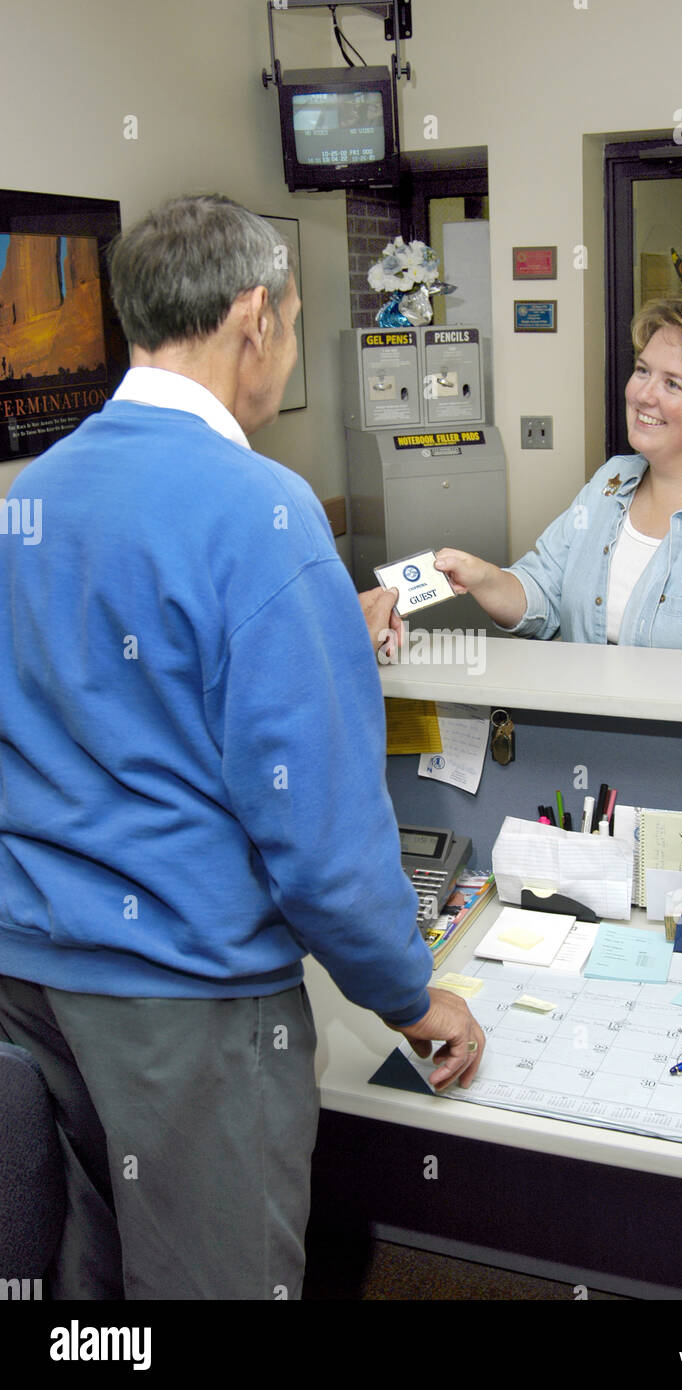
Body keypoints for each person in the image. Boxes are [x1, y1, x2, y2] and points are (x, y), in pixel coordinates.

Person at [0, 194, 484, 1301]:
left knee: (90, 1281)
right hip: (187, 1006)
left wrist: (315, 628)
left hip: (33, 975)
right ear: (253, 317)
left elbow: (96, 689)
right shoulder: (261, 510)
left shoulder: (41, 490)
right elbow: (317, 837)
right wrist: (411, 996)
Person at [435, 288, 682, 656]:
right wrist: (484, 578)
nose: (643, 395)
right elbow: (543, 593)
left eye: (673, 384)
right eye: (643, 370)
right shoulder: (610, 484)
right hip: (591, 729)